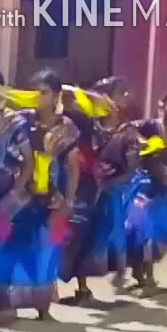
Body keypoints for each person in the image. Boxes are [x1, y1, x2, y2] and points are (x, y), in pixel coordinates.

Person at [0, 69, 81, 320]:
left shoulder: (67, 128)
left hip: (51, 199)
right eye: (34, 92)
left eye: (44, 92)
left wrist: (69, 201)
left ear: (56, 96)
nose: (38, 97)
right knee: (8, 247)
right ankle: (5, 306)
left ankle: (43, 308)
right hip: (18, 196)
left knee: (45, 253)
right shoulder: (20, 120)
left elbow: (73, 168)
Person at [63, 76, 140, 302]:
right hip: (83, 187)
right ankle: (81, 287)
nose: (126, 96)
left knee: (106, 230)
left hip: (113, 192)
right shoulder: (87, 124)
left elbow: (132, 169)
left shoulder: (127, 131)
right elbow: (66, 92)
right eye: (120, 92)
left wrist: (106, 184)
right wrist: (93, 97)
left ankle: (122, 272)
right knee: (78, 235)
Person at [123, 129, 167, 293]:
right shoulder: (144, 175)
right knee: (138, 246)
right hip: (142, 220)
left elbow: (163, 194)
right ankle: (142, 279)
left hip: (154, 221)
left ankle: (149, 281)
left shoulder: (162, 175)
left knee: (147, 245)